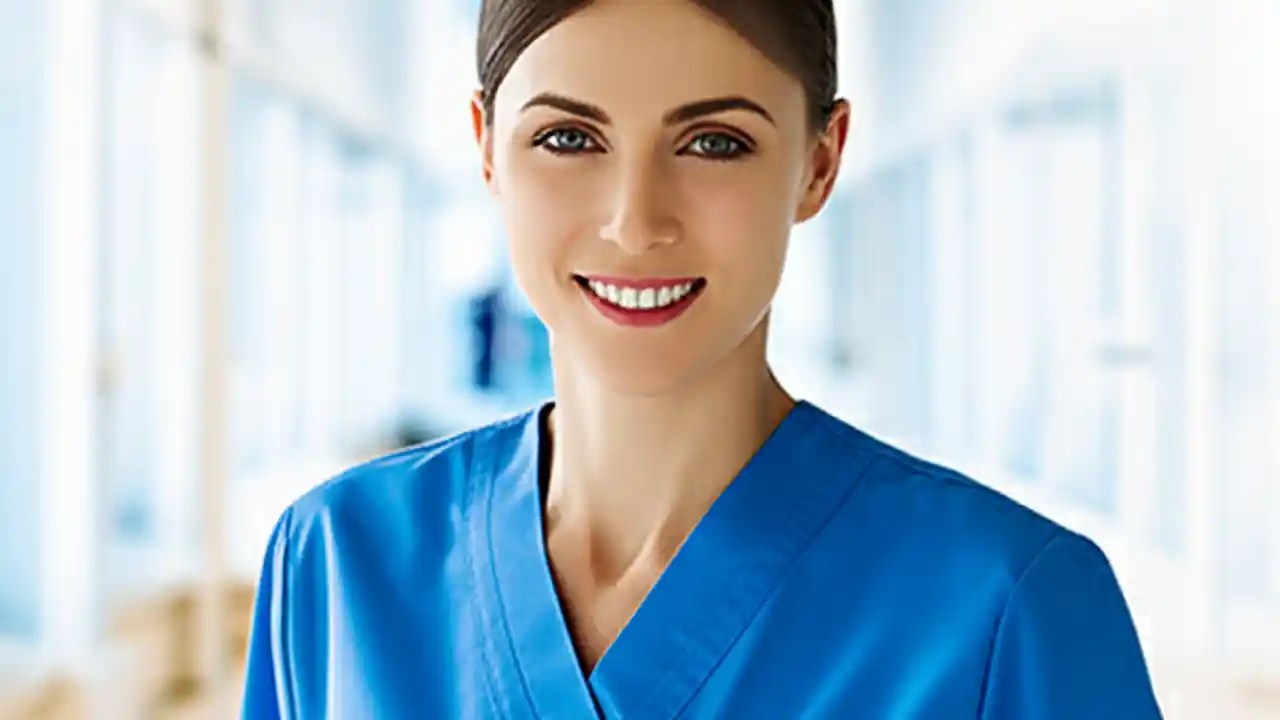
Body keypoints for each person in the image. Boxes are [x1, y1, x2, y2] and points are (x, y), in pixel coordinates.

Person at [240, 0, 1164, 717]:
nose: (635, 221)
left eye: (714, 143)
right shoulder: (335, 569)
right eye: (568, 138)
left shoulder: (1005, 611)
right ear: (487, 148)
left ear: (819, 162)